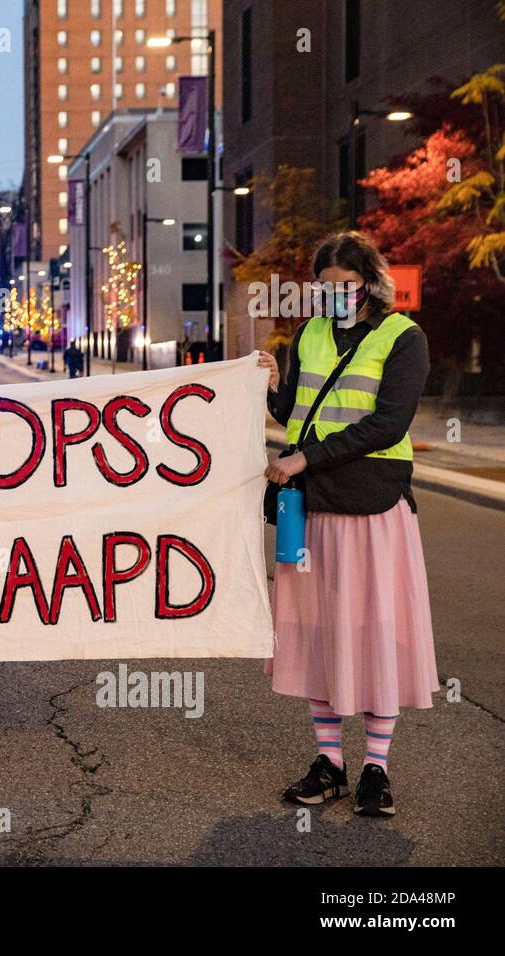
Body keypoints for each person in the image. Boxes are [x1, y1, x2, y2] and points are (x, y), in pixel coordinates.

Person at [258, 231, 436, 819]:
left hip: (371, 505)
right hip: (311, 507)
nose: (335, 295)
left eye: (346, 286)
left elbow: (388, 423)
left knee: (374, 628)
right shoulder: (307, 335)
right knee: (316, 627)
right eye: (325, 286)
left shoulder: (402, 337)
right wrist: (269, 384)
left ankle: (375, 770)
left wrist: (304, 458)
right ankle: (330, 763)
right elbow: (294, 413)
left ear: (369, 284)